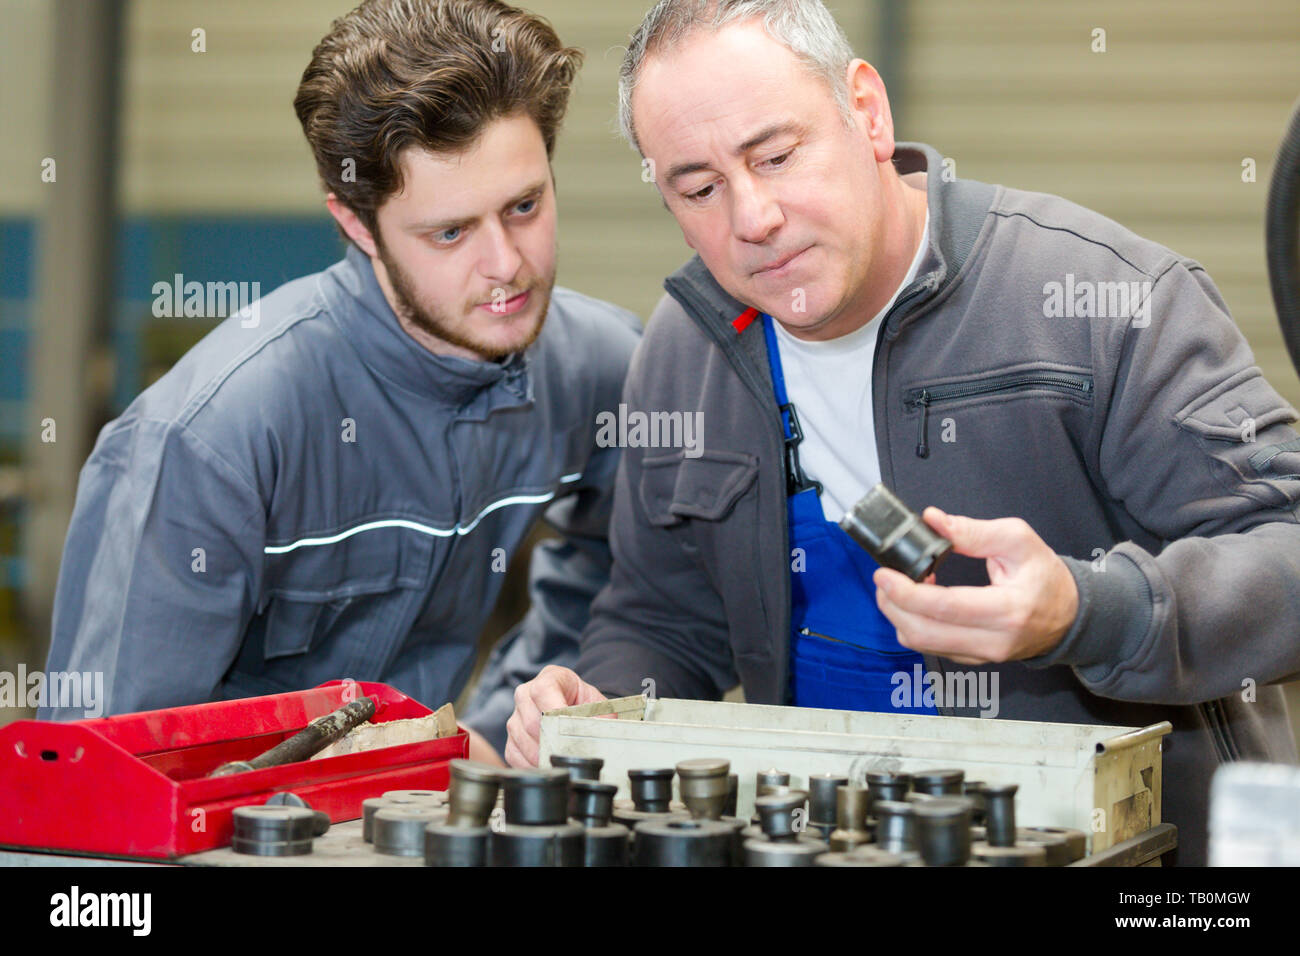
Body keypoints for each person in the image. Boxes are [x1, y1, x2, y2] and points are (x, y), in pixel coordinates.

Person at [506, 0, 1300, 863]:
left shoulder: (1102, 305)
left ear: (868, 114)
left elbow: (1286, 547)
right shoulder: (688, 347)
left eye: (775, 155)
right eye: (698, 188)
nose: (752, 217)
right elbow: (663, 615)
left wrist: (1087, 612)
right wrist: (598, 704)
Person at [39, 0, 641, 763]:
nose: (506, 265)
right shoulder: (210, 441)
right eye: (450, 231)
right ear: (358, 224)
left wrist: (501, 735)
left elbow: (637, 578)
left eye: (524, 206)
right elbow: (99, 785)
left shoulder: (600, 369)